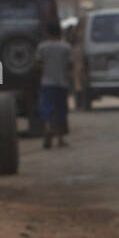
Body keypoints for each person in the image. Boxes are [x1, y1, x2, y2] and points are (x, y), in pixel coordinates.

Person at [35, 20, 72, 149]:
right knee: (61, 111)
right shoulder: (66, 47)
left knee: (46, 108)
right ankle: (60, 139)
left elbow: (38, 65)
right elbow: (70, 65)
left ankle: (47, 129)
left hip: (47, 82)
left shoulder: (42, 47)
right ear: (60, 32)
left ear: (47, 32)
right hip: (62, 83)